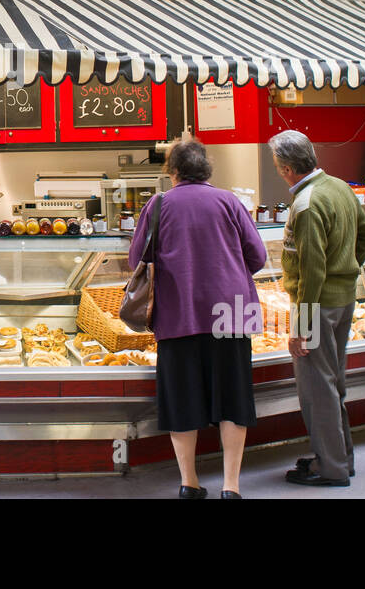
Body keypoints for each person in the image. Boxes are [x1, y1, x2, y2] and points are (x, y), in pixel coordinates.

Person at [130, 140, 267, 499]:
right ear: (207, 168)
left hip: (178, 316)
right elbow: (258, 256)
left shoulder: (157, 205)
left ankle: (189, 483)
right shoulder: (229, 201)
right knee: (233, 400)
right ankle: (231, 487)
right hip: (232, 313)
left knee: (182, 399)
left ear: (172, 171)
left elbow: (136, 261)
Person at [268, 130, 365, 487]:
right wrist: (347, 266)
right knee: (332, 383)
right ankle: (341, 457)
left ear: (285, 168)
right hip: (343, 300)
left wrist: (301, 324)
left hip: (318, 306)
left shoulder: (307, 203)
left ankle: (331, 468)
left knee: (318, 389)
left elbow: (312, 270)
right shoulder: (340, 187)